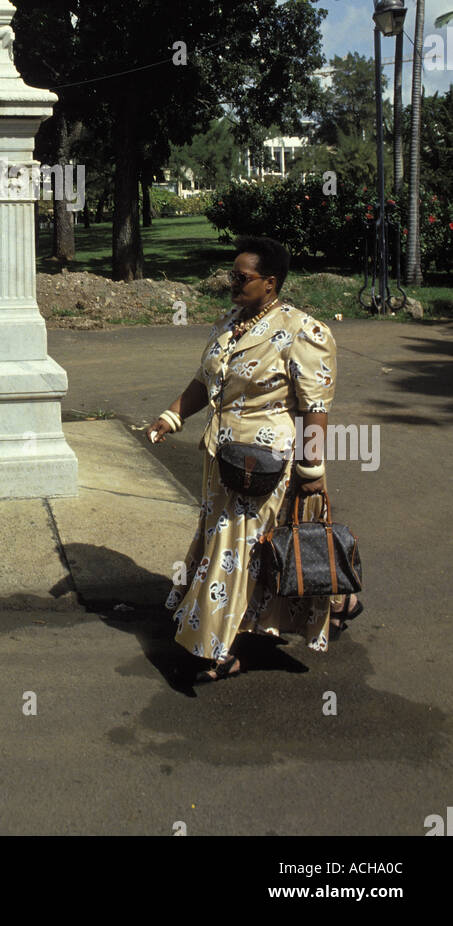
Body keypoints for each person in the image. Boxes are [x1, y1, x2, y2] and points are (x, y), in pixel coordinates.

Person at [148, 235, 358, 682]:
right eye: (232, 275)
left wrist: (312, 470)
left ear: (270, 282)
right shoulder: (230, 322)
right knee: (257, 552)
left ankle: (220, 648)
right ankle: (340, 600)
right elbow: (207, 381)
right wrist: (172, 416)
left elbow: (315, 407)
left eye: (241, 278)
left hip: (265, 464)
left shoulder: (304, 331)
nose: (232, 283)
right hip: (221, 462)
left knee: (238, 552)